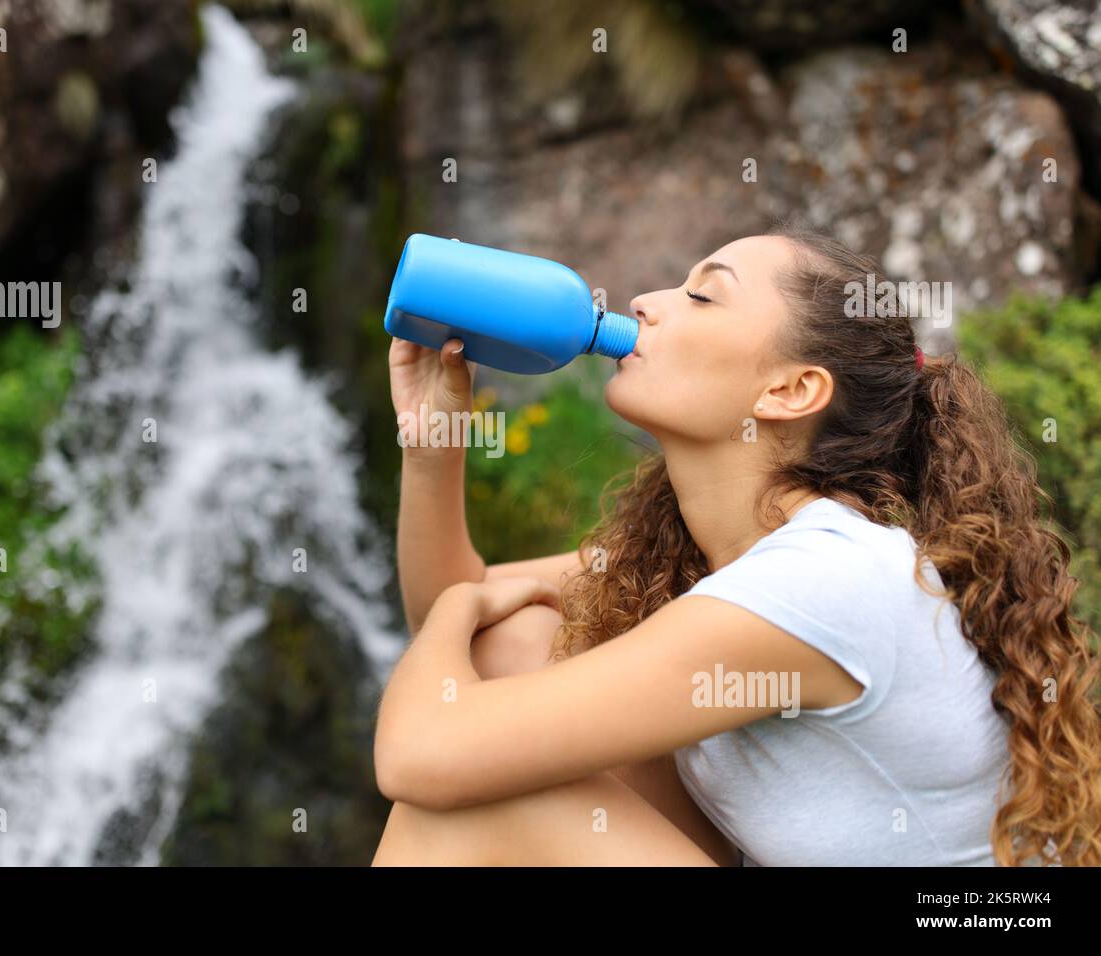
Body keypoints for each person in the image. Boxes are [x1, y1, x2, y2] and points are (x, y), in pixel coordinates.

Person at [371, 225, 1101, 866]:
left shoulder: (823, 580)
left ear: (790, 391)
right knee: (522, 642)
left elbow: (418, 753)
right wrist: (433, 449)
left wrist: (462, 605)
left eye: (702, 296)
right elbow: (458, 643)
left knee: (494, 795)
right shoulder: (705, 556)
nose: (646, 302)